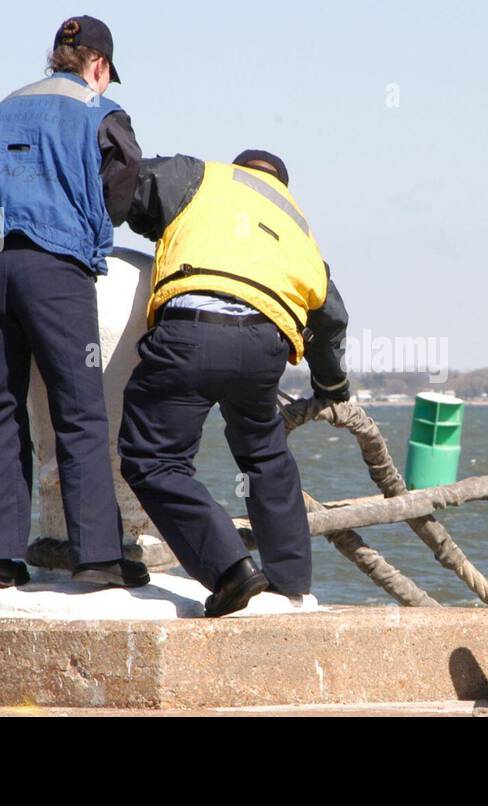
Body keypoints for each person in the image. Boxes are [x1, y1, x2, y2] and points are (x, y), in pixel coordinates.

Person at [0, 15, 148, 588]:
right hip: (53, 263)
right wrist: (96, 227)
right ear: (99, 66)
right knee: (81, 410)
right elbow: (126, 170)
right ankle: (99, 559)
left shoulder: (0, 107)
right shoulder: (96, 108)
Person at [119, 149, 350, 617]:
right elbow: (331, 319)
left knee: (154, 458)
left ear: (239, 167)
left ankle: (230, 570)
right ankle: (290, 585)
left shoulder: (202, 178)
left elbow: (123, 184)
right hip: (263, 346)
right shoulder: (297, 227)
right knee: (265, 452)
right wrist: (332, 386)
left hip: (192, 331)